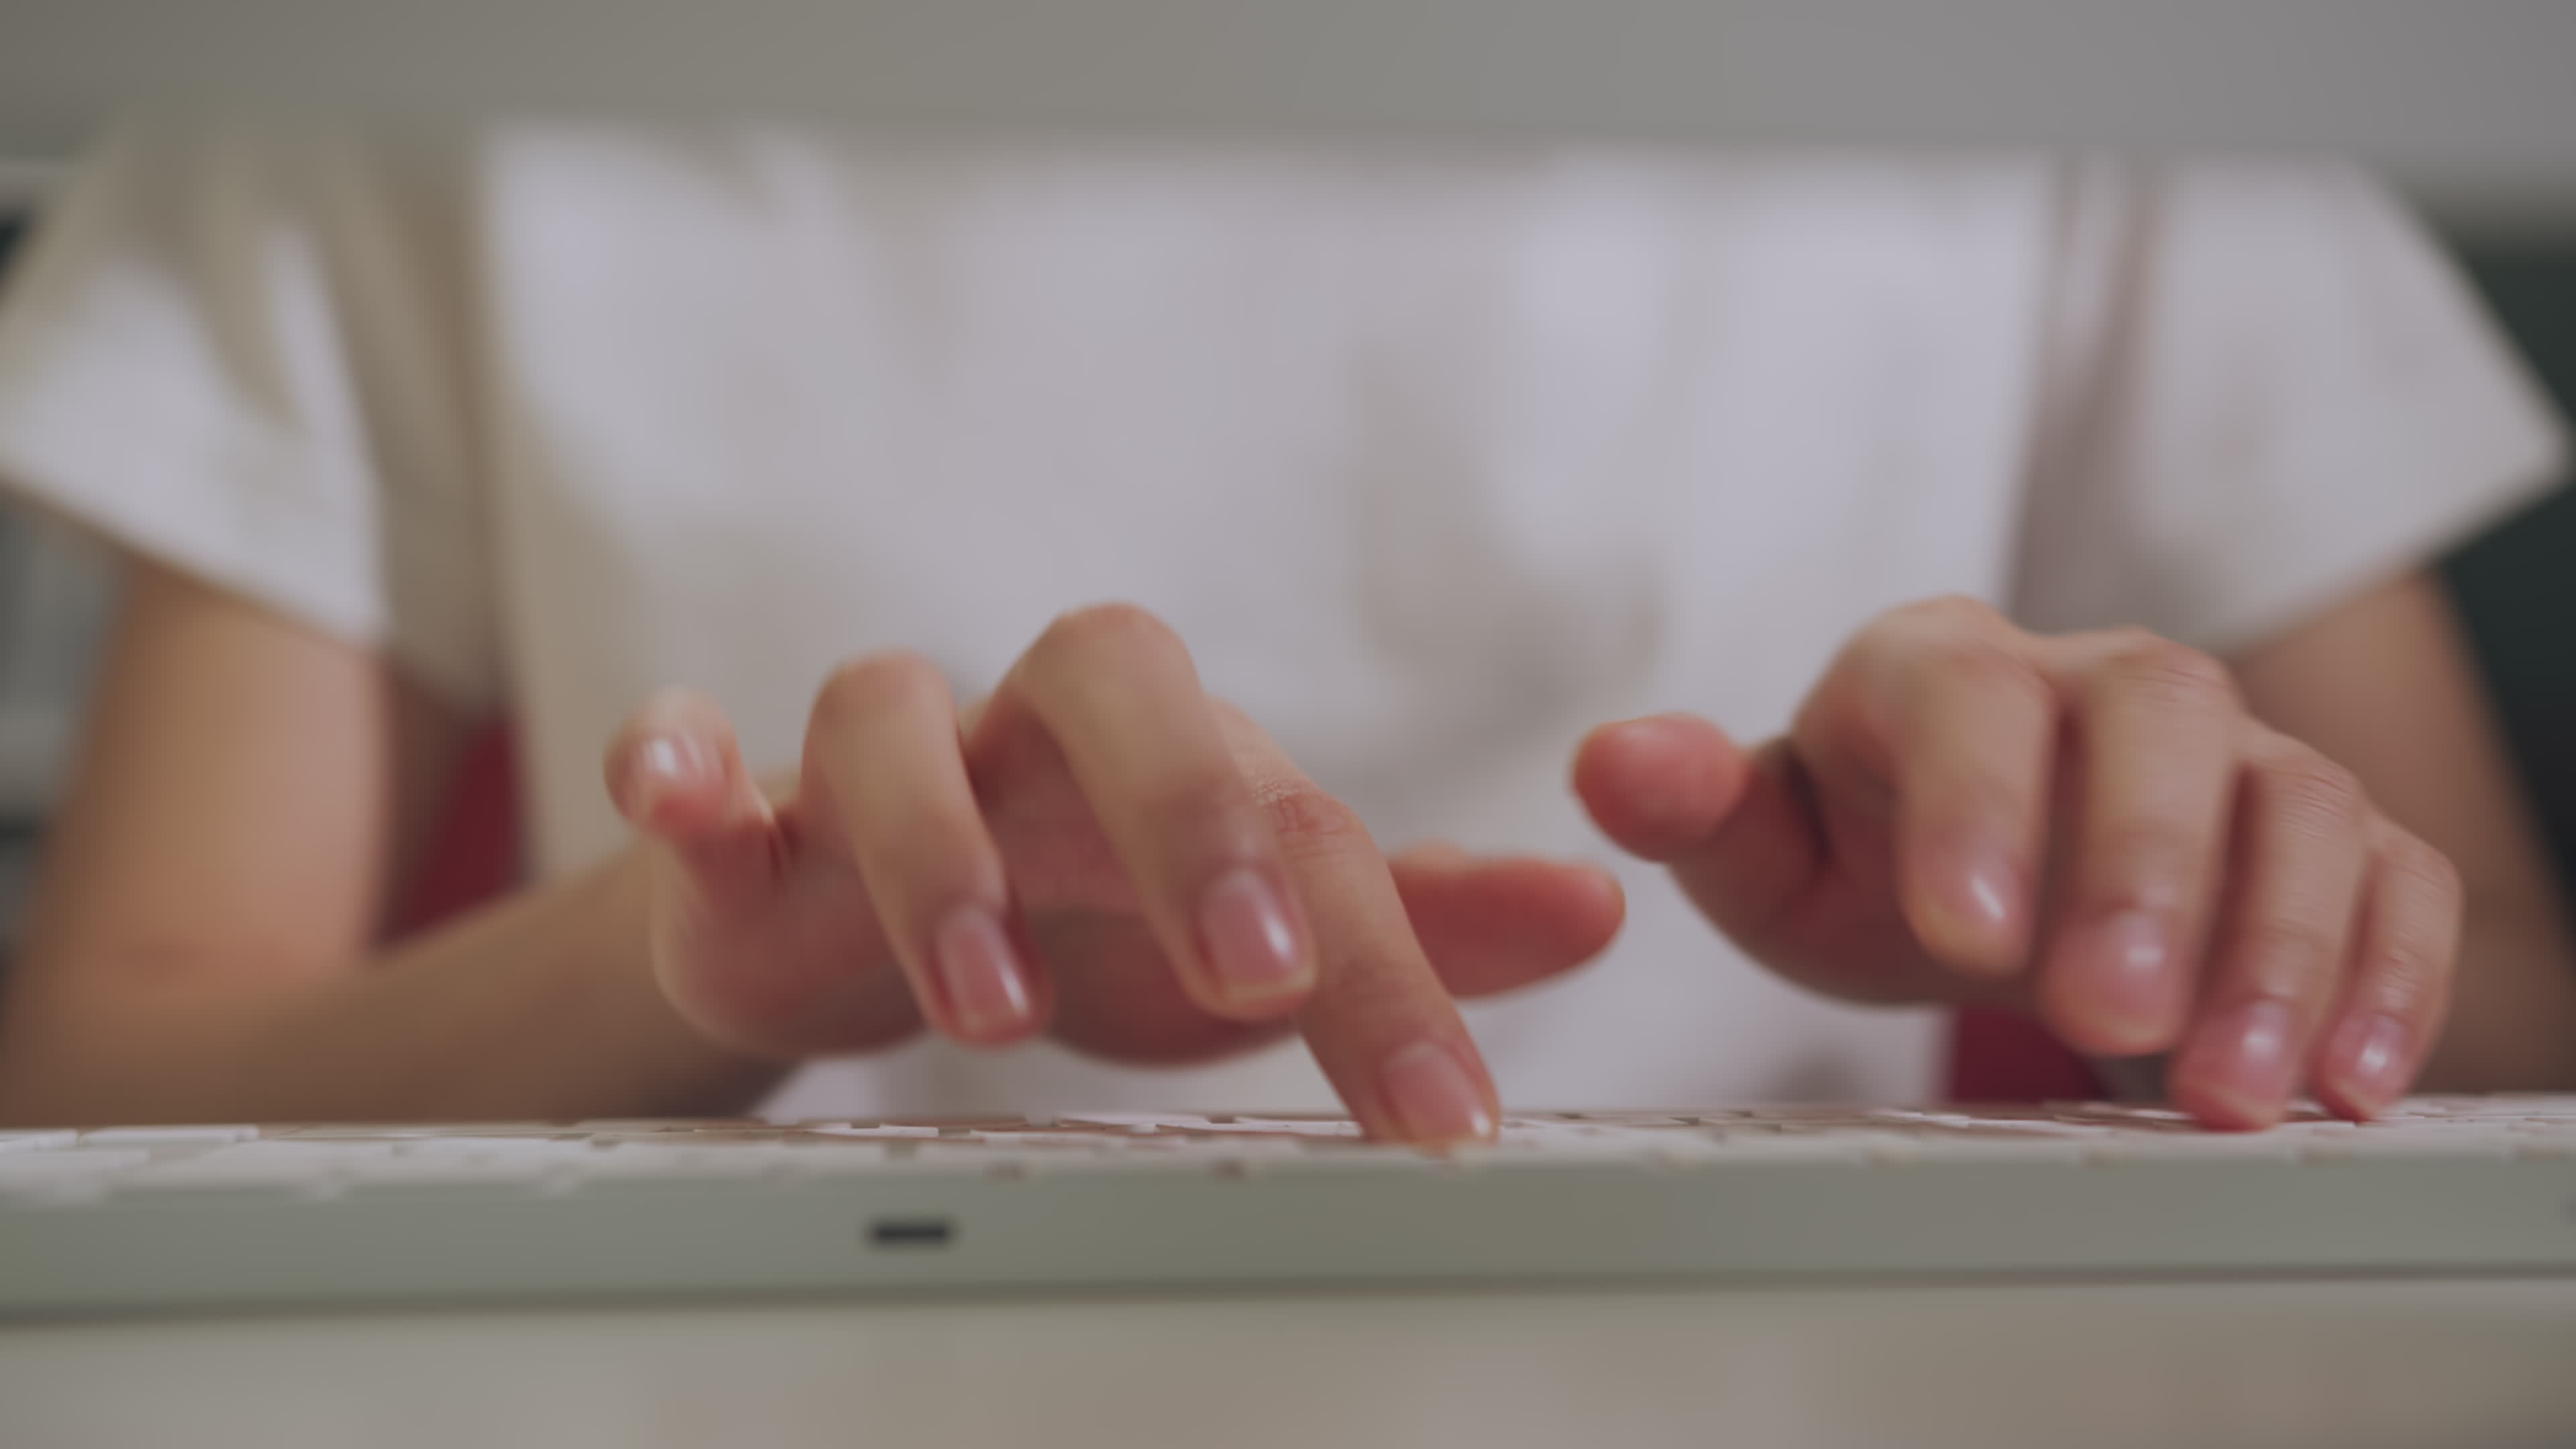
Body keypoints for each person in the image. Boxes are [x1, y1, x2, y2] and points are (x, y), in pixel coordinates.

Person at [0, 119, 2569, 1142]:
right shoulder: (386, 95)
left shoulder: (2076, 87)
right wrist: (695, 978)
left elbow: (2503, 1048)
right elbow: (101, 1084)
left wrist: (2163, 907)